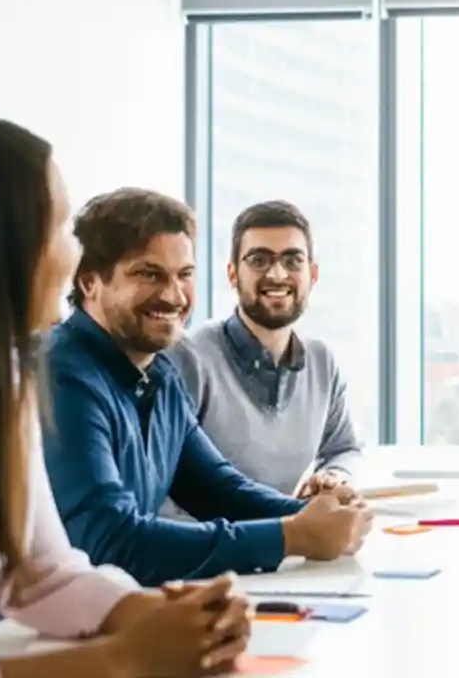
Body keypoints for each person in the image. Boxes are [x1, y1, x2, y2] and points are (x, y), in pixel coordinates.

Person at [0, 108, 251, 676]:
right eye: (58, 229)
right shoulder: (61, 370)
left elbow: (42, 572)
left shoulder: (4, 380)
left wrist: (163, 616)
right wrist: (120, 658)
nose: (72, 256)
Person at [42, 189, 373, 587]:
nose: (173, 295)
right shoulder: (61, 375)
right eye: (149, 274)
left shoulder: (159, 375)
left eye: (184, 275)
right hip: (30, 619)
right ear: (90, 282)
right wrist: (291, 535)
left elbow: (218, 489)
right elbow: (109, 540)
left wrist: (316, 515)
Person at [165, 201, 364, 501]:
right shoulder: (189, 357)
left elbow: (345, 448)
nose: (278, 274)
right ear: (233, 274)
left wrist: (334, 476)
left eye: (293, 260)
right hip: (213, 532)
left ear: (313, 274)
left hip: (288, 528)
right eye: (259, 260)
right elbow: (161, 484)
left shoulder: (321, 362)